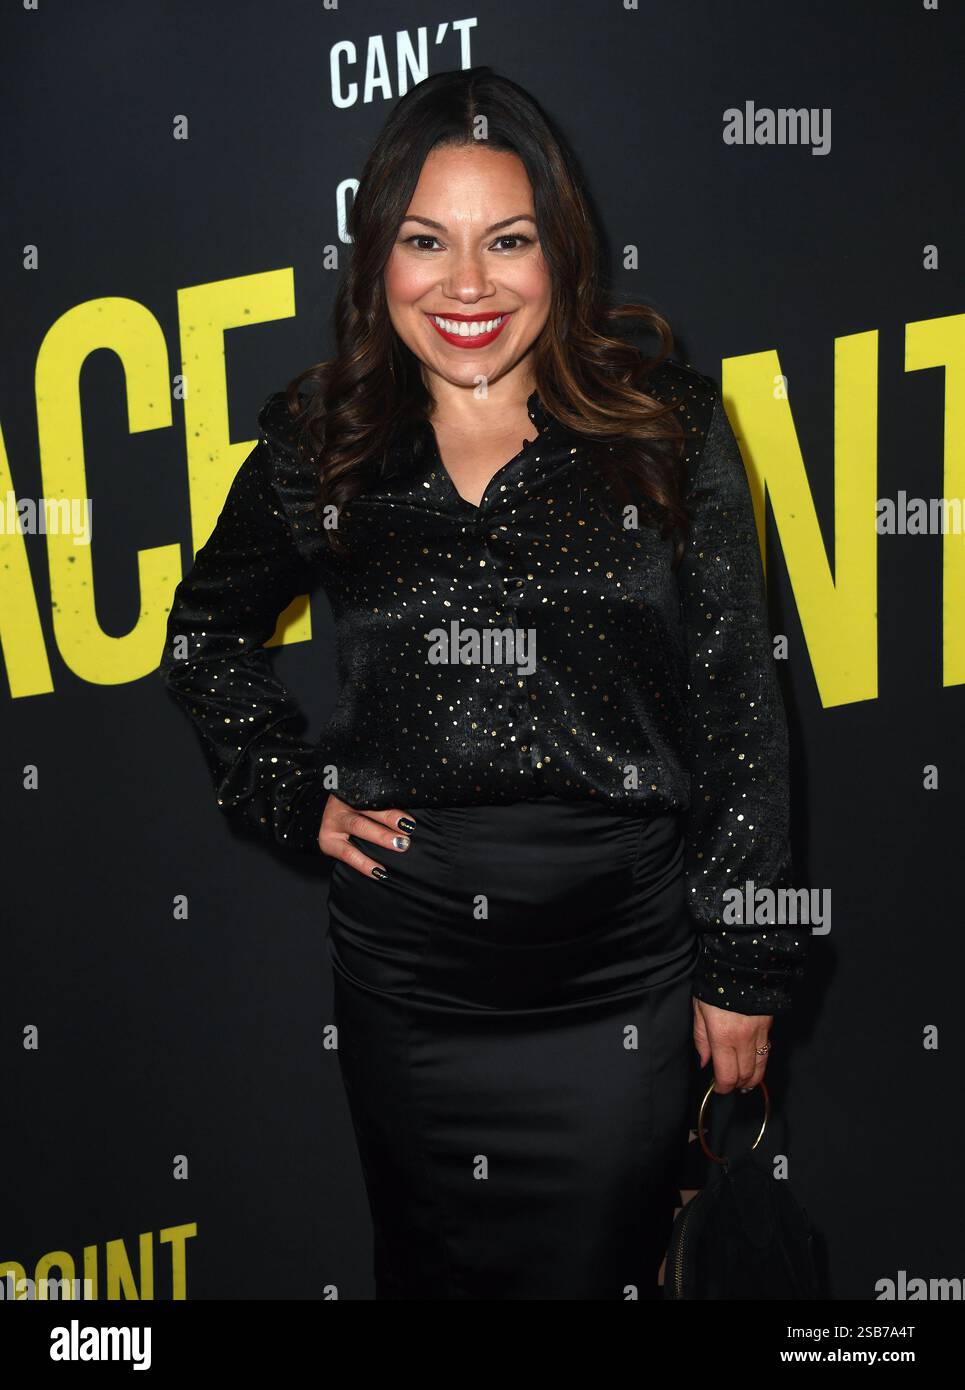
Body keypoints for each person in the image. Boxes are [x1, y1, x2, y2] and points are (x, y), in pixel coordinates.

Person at [158, 67, 807, 1300]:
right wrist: (289, 794)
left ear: (556, 250)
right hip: (414, 986)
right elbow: (202, 637)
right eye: (424, 242)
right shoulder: (325, 442)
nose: (465, 286)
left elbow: (736, 707)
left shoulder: (664, 430)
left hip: (621, 973)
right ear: (376, 259)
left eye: (504, 241)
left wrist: (743, 967)